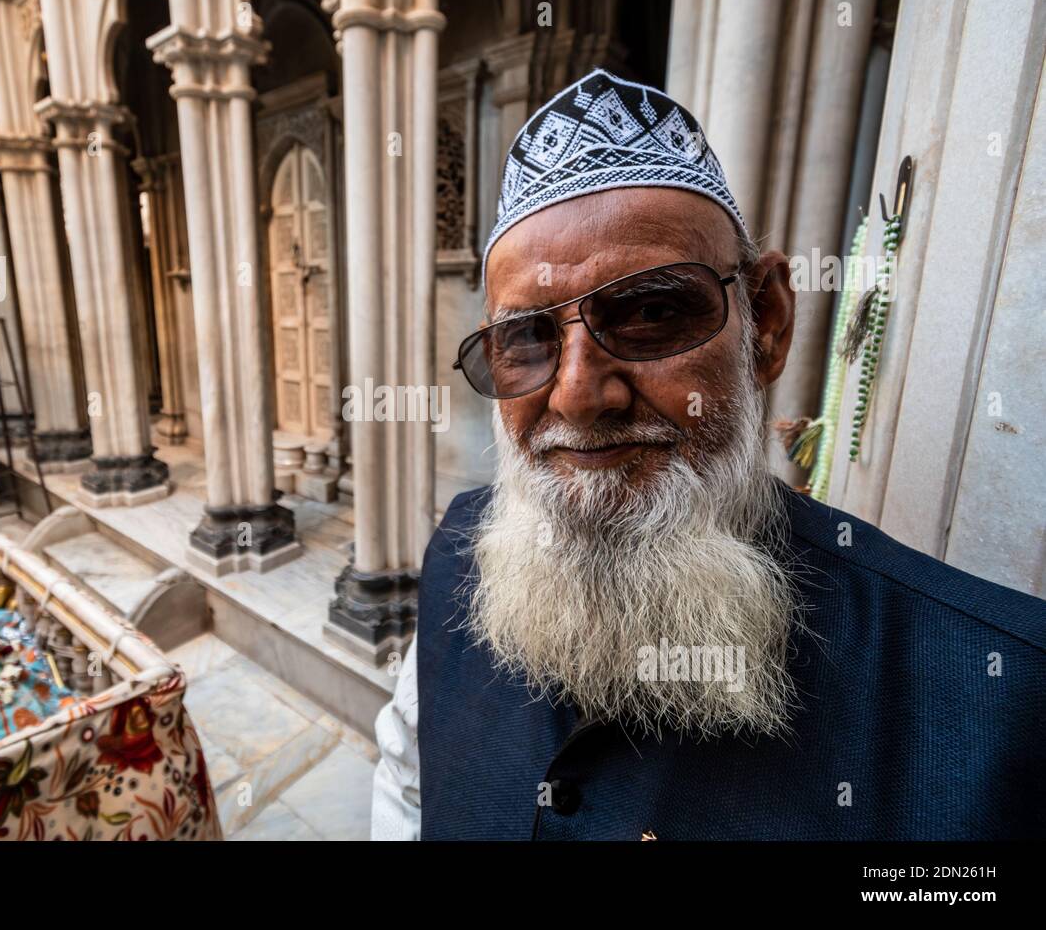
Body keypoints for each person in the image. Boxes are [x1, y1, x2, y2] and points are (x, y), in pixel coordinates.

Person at [370, 69, 1046, 841]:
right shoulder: (462, 554)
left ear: (767, 323)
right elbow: (405, 776)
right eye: (527, 338)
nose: (579, 395)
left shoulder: (996, 710)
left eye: (653, 310)